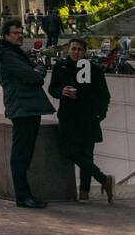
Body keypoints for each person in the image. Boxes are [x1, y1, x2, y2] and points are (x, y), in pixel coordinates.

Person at [0, 18, 54, 208]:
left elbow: (39, 69)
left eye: (21, 32)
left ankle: (25, 194)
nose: (20, 36)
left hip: (27, 106)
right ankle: (23, 195)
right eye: (16, 33)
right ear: (5, 36)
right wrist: (36, 72)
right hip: (22, 107)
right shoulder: (8, 55)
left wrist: (36, 71)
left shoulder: (15, 53)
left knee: (25, 152)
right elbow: (32, 75)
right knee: (21, 152)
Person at [49, 39, 115, 203]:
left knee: (86, 153)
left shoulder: (94, 70)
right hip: (68, 117)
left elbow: (103, 96)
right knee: (68, 151)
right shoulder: (60, 67)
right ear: (68, 50)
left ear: (85, 52)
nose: (75, 52)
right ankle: (103, 179)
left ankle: (84, 192)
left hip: (88, 117)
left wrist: (99, 114)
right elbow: (52, 89)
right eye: (73, 49)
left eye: (79, 49)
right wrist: (61, 91)